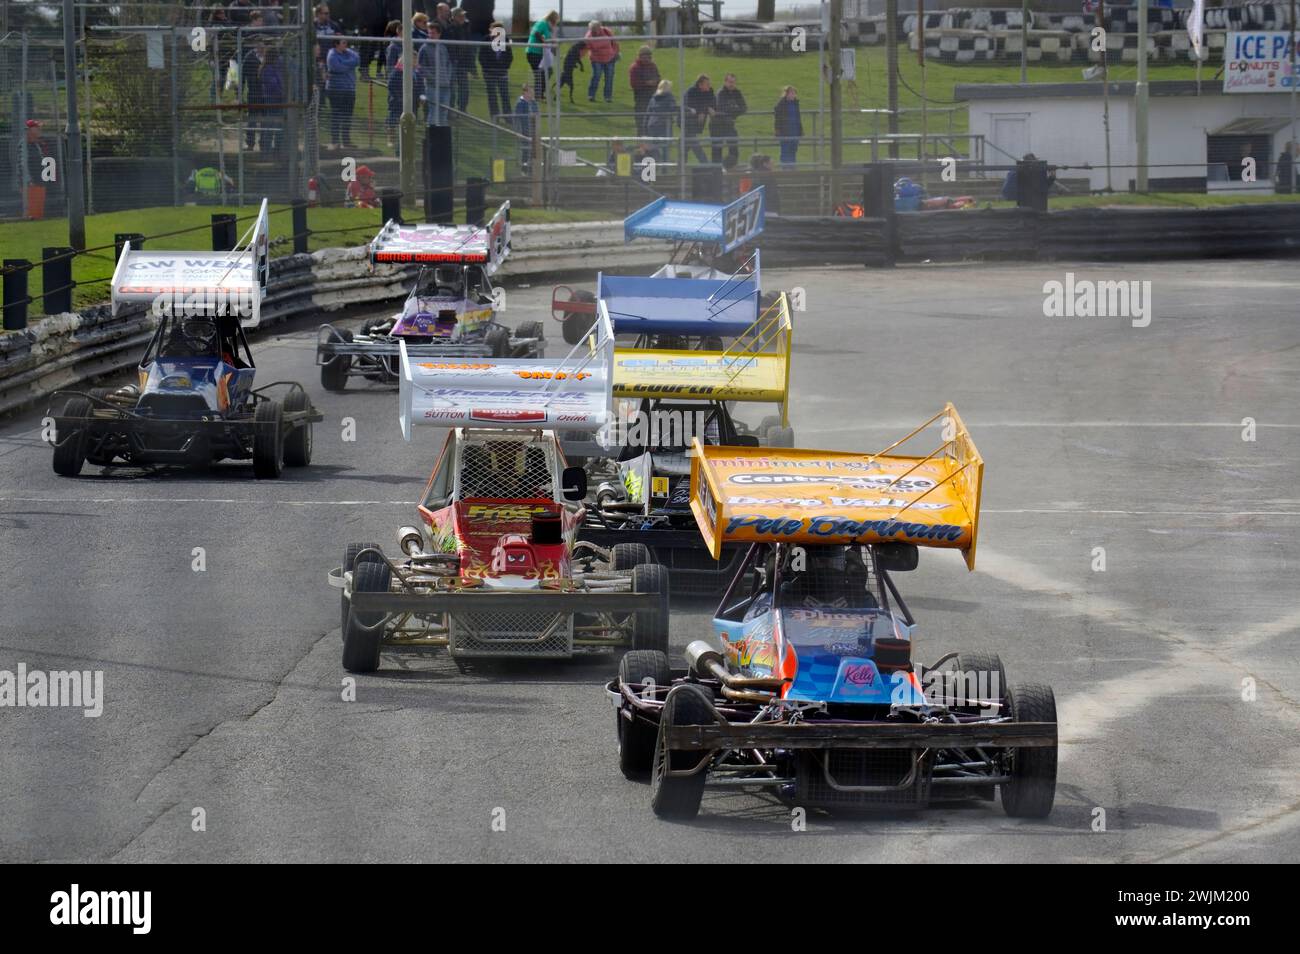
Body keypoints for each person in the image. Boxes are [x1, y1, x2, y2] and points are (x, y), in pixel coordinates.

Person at [325, 36, 360, 148]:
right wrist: (350, 65)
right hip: (336, 90)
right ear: (337, 44)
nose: (346, 45)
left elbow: (357, 60)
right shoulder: (332, 55)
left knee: (347, 116)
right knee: (336, 115)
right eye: (343, 42)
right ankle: (335, 141)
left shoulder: (348, 52)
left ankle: (346, 141)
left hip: (349, 89)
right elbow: (337, 68)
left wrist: (345, 63)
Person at [479, 19, 514, 124]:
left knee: (505, 95)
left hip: (502, 73)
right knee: (492, 95)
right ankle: (495, 117)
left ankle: (508, 117)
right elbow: (481, 57)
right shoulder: (485, 40)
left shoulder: (505, 40)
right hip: (489, 73)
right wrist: (488, 68)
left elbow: (510, 56)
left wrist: (504, 67)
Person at [419, 21, 452, 126]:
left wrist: (447, 78)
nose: (431, 35)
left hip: (445, 86)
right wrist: (433, 78)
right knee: (433, 112)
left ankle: (441, 137)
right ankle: (431, 137)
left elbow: (448, 64)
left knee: (443, 112)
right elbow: (421, 67)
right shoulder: (424, 48)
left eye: (433, 33)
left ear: (439, 34)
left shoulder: (443, 47)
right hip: (432, 86)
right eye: (429, 33)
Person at [712, 73, 746, 167]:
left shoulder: (737, 92)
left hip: (729, 124)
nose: (732, 84)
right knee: (717, 150)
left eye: (734, 82)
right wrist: (735, 109)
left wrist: (732, 111)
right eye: (730, 82)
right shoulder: (721, 93)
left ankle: (732, 169)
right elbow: (721, 108)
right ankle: (717, 172)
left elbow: (744, 107)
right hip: (718, 125)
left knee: (734, 147)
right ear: (725, 82)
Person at [585, 20, 619, 104]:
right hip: (596, 59)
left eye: (596, 28)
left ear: (599, 27)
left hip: (610, 58)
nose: (595, 31)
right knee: (596, 76)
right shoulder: (588, 37)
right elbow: (586, 48)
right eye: (592, 29)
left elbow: (614, 43)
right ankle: (591, 95)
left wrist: (615, 53)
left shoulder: (607, 31)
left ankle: (608, 97)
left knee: (609, 78)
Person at [446, 7, 474, 114]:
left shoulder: (466, 27)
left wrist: (472, 66)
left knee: (464, 88)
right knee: (451, 88)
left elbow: (469, 47)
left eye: (463, 15)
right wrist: (454, 58)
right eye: (460, 16)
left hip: (463, 63)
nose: (463, 18)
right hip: (453, 62)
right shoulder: (450, 29)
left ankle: (462, 110)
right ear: (454, 17)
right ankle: (450, 110)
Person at [527, 10, 559, 101]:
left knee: (548, 72)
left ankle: (540, 93)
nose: (555, 22)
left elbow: (551, 41)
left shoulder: (549, 28)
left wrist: (554, 49)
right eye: (555, 20)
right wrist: (544, 42)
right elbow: (536, 33)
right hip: (533, 52)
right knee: (539, 74)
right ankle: (538, 95)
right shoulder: (542, 23)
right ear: (552, 18)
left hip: (542, 54)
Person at [684, 74, 715, 164]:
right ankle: (705, 164)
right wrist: (703, 110)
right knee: (694, 144)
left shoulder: (710, 91)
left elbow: (712, 103)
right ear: (700, 85)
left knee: (685, 146)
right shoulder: (691, 92)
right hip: (687, 123)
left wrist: (707, 108)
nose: (709, 86)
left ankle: (682, 167)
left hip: (698, 123)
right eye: (707, 84)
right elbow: (690, 105)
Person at [259, 47, 286, 154]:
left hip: (278, 99)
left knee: (279, 124)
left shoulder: (275, 67)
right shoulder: (267, 69)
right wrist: (282, 92)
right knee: (271, 124)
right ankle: (267, 148)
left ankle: (277, 147)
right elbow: (273, 85)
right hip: (272, 99)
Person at [628, 46, 659, 137]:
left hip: (653, 99)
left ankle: (651, 147)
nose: (646, 59)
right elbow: (634, 84)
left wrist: (656, 82)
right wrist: (647, 83)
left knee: (651, 124)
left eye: (648, 57)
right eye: (644, 57)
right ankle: (641, 146)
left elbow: (658, 77)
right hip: (640, 99)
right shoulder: (635, 67)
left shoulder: (653, 66)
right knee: (641, 124)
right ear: (640, 57)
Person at [240, 39, 264, 150]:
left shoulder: (270, 56)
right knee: (252, 119)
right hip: (253, 92)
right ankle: (250, 143)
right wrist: (239, 92)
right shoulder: (249, 57)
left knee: (266, 119)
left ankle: (264, 144)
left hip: (267, 94)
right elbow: (242, 75)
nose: (262, 47)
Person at [644, 79, 676, 160]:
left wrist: (644, 127)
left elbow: (648, 113)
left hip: (652, 125)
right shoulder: (669, 97)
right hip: (664, 125)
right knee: (665, 148)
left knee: (654, 147)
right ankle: (664, 169)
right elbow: (673, 109)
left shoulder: (653, 98)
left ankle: (655, 166)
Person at [773, 85, 802, 168]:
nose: (793, 95)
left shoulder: (796, 103)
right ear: (786, 94)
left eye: (794, 93)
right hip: (785, 132)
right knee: (785, 152)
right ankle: (785, 171)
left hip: (795, 131)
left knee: (793, 152)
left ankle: (792, 170)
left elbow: (798, 117)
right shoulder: (781, 104)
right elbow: (777, 118)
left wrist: (800, 130)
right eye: (791, 93)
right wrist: (777, 130)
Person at [23, 120, 47, 220]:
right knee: (33, 213)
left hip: (39, 180)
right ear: (29, 130)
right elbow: (22, 164)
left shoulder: (36, 144)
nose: (39, 130)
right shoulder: (24, 145)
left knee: (38, 211)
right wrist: (29, 180)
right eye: (36, 128)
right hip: (31, 182)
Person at [514, 82, 539, 171]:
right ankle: (524, 169)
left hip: (533, 130)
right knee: (525, 150)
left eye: (532, 92)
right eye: (530, 92)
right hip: (524, 131)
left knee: (534, 151)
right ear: (525, 93)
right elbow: (517, 119)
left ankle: (532, 169)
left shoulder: (534, 103)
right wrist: (518, 131)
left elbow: (537, 115)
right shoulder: (520, 103)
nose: (532, 94)